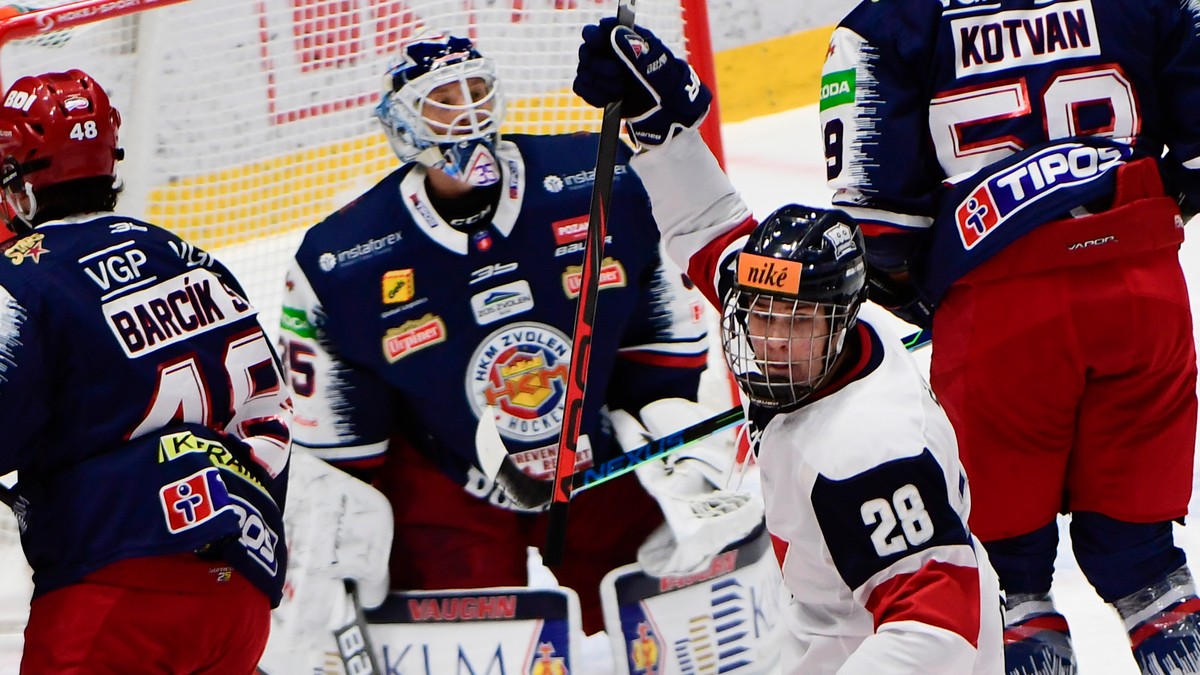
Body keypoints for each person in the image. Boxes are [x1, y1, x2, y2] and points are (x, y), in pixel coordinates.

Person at [278, 29, 762, 639]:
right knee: (465, 645)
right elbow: (341, 446)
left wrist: (673, 434)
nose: (467, 111)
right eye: (442, 99)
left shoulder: (603, 180)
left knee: (659, 623)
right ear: (401, 122)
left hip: (602, 459)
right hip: (452, 480)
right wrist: (330, 543)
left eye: (475, 89)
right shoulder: (341, 261)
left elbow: (662, 336)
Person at [573, 20, 1004, 674]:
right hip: (822, 628)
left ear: (837, 321)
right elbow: (711, 231)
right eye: (760, 316)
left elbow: (937, 629)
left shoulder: (868, 448)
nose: (770, 339)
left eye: (793, 323)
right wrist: (661, 133)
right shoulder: (811, 331)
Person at [813, 1, 1200, 672]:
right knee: (1144, 560)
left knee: (1006, 578)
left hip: (999, 322)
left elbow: (874, 225)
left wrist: (941, 295)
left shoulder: (885, 22)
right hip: (1145, 299)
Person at [0, 70, 292, 673]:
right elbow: (270, 409)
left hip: (117, 592)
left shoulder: (21, 281)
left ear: (21, 184)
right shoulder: (184, 254)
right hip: (240, 591)